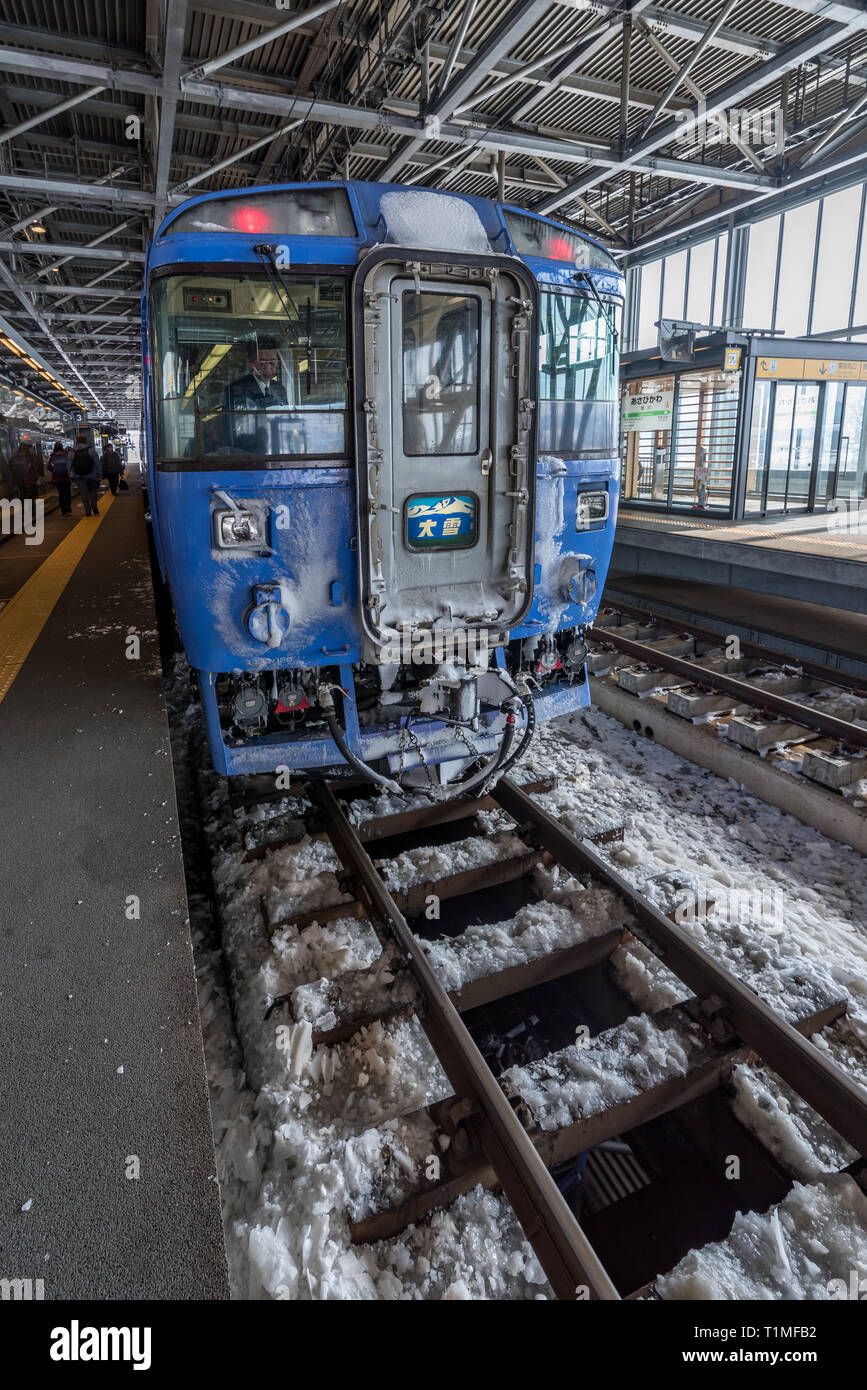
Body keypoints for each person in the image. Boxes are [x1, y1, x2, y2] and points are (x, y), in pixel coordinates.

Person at [224, 340, 288, 412]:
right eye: (262, 362)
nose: (268, 366)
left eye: (272, 361)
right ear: (252, 362)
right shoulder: (236, 390)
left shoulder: (280, 389)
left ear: (277, 361)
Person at [69, 434, 102, 515]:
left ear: (76, 441)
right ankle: (94, 506)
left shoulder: (72, 452)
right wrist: (100, 475)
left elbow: (69, 466)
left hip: (79, 476)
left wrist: (71, 476)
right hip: (92, 475)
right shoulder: (91, 450)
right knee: (93, 492)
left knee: (84, 494)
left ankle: (87, 511)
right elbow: (97, 464)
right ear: (85, 441)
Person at [48, 440, 73, 515]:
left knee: (61, 494)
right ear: (62, 447)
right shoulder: (66, 454)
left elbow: (49, 467)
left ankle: (63, 510)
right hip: (66, 477)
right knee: (67, 493)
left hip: (57, 478)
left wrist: (55, 471)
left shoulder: (52, 456)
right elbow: (70, 465)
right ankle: (68, 508)